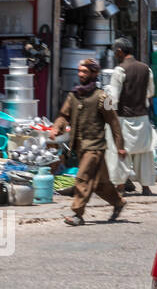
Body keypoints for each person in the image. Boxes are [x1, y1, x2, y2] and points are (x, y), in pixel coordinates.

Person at [54, 58, 126, 227]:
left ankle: (77, 214)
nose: (80, 75)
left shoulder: (103, 97)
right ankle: (118, 202)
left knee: (82, 178)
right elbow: (63, 116)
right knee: (101, 185)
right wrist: (56, 128)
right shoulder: (73, 95)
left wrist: (120, 147)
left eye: (84, 71)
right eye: (79, 71)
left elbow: (114, 122)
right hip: (80, 147)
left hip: (95, 147)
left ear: (94, 74)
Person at [103, 37, 156, 196]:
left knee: (119, 151)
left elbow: (114, 98)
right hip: (142, 118)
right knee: (144, 153)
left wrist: (104, 109)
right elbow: (150, 92)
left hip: (123, 119)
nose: (114, 55)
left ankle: (120, 187)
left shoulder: (119, 70)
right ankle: (146, 187)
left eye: (115, 52)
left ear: (119, 51)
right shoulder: (146, 68)